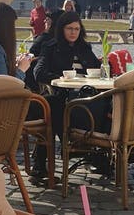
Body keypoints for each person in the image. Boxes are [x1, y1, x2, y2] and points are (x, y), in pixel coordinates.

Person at [32, 11, 102, 182]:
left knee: (104, 103)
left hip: (85, 97)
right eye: (69, 28)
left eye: (77, 29)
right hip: (62, 95)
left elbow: (97, 70)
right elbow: (38, 72)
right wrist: (59, 78)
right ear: (61, 29)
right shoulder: (51, 47)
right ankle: (59, 151)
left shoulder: (85, 48)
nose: (73, 32)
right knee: (52, 108)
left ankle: (95, 152)